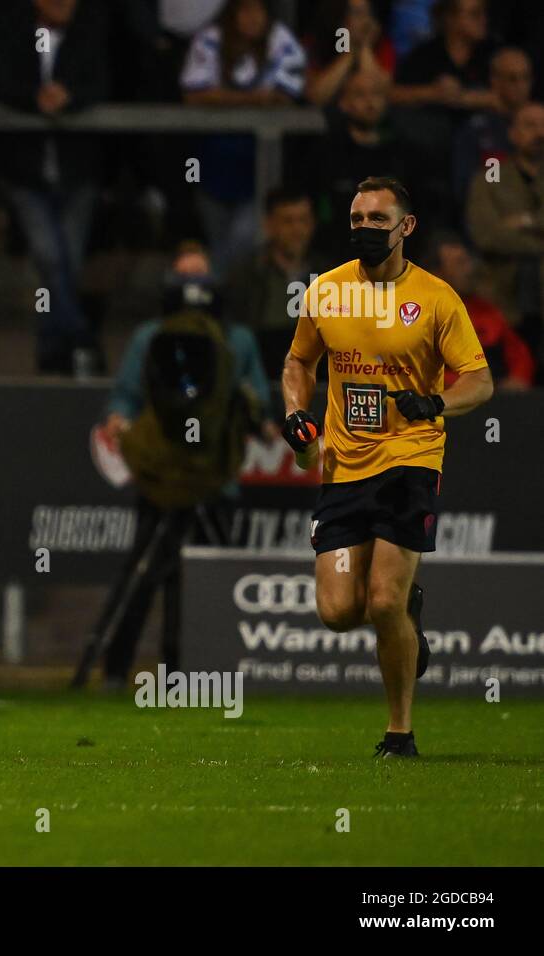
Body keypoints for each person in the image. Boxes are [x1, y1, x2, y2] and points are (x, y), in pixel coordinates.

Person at [282, 176, 493, 758]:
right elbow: (299, 360)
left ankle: (399, 733)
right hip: (343, 466)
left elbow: (480, 380)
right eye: (358, 220)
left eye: (379, 219)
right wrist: (297, 413)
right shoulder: (325, 291)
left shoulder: (436, 297)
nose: (367, 229)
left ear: (407, 226)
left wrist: (436, 402)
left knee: (381, 602)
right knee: (337, 611)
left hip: (411, 462)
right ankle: (409, 616)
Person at [94, 242, 271, 684]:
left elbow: (258, 399)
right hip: (163, 473)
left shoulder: (239, 339)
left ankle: (212, 669)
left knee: (212, 576)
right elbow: (127, 395)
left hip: (214, 475)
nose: (194, 288)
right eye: (185, 278)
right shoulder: (149, 337)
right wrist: (118, 418)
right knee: (145, 571)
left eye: (201, 277)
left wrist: (260, 416)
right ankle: (115, 667)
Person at [0, 0, 110, 375]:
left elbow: (104, 84)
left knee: (67, 263)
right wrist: (34, 99)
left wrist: (70, 98)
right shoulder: (15, 37)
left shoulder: (89, 40)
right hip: (28, 173)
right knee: (50, 257)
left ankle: (52, 351)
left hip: (77, 172)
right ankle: (81, 338)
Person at [180, 0, 307, 278]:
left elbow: (285, 95)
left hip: (258, 170)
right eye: (245, 10)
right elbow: (194, 93)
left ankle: (226, 304)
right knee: (219, 244)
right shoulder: (210, 38)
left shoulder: (279, 39)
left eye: (259, 10)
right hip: (211, 167)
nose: (253, 18)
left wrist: (224, 99)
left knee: (241, 242)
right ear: (233, 13)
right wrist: (252, 99)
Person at [307, 66, 413, 263]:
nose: (370, 102)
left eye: (376, 94)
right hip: (337, 259)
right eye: (360, 95)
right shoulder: (327, 152)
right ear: (344, 103)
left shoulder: (401, 153)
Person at [465, 101, 544, 359]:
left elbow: (504, 229)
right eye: (530, 126)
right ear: (512, 133)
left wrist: (524, 221)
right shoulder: (494, 171)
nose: (539, 133)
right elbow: (487, 233)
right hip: (503, 289)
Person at [225, 187, 324, 378]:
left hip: (317, 378)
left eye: (303, 221)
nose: (297, 230)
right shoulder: (245, 275)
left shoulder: (329, 275)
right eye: (288, 221)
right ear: (269, 225)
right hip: (260, 376)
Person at [431, 231, 535, 388]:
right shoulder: (425, 313)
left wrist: (518, 378)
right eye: (460, 263)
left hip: (498, 397)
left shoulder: (486, 309)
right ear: (437, 272)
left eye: (467, 261)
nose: (469, 270)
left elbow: (519, 354)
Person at [451, 47, 532, 211]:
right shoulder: (476, 131)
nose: (521, 86)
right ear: (495, 80)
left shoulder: (539, 127)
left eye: (525, 78)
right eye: (512, 79)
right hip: (490, 217)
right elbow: (464, 190)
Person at [303, 0, 395, 107]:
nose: (367, 21)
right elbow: (316, 97)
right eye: (358, 14)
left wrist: (365, 46)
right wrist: (349, 53)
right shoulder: (314, 43)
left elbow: (377, 97)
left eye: (369, 14)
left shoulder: (382, 44)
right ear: (340, 18)